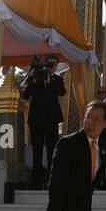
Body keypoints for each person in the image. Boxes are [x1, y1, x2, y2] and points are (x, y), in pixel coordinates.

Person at [20, 56, 65, 190]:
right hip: (36, 120)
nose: (52, 66)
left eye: (54, 64)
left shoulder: (57, 78)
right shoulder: (35, 77)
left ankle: (51, 180)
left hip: (52, 119)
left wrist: (49, 80)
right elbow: (26, 95)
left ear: (57, 66)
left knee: (52, 150)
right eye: (49, 64)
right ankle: (36, 182)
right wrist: (35, 78)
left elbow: (61, 92)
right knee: (37, 150)